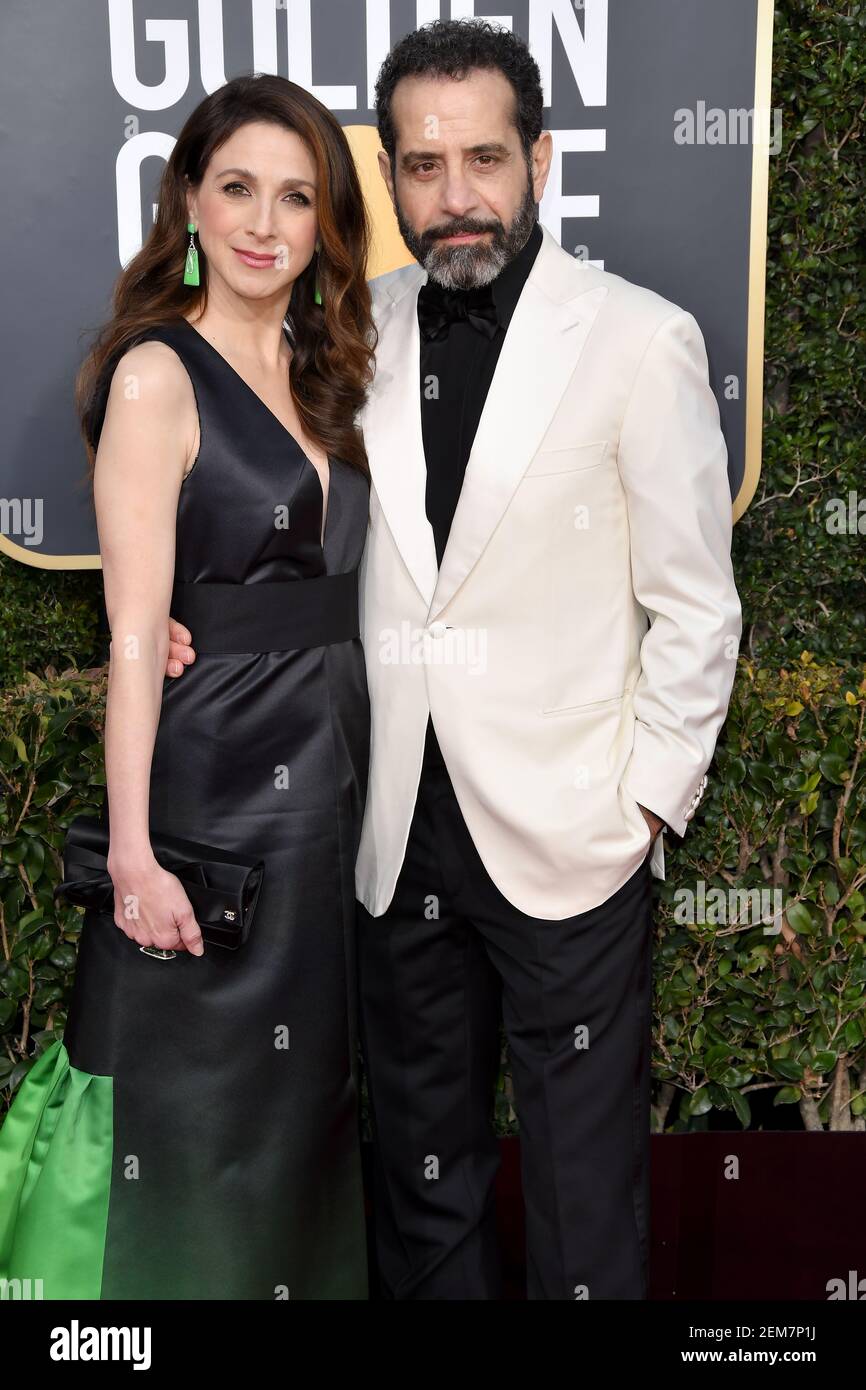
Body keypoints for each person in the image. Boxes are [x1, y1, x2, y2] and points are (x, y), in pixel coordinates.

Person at [166, 20, 742, 1300]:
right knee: (422, 1188)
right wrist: (179, 608)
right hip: (390, 829)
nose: (455, 195)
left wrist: (643, 805)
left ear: (539, 158)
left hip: (568, 835)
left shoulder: (638, 340)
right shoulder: (352, 331)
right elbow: (250, 486)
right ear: (391, 178)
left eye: (484, 157)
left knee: (583, 1196)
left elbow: (696, 609)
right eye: (422, 167)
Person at [0, 74, 375, 1300]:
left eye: (296, 197)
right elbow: (132, 636)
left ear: (326, 223)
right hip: (212, 786)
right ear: (190, 204)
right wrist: (132, 856)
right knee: (189, 1110)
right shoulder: (158, 374)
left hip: (337, 790)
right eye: (237, 189)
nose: (265, 223)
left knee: (301, 1118)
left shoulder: (338, 371)